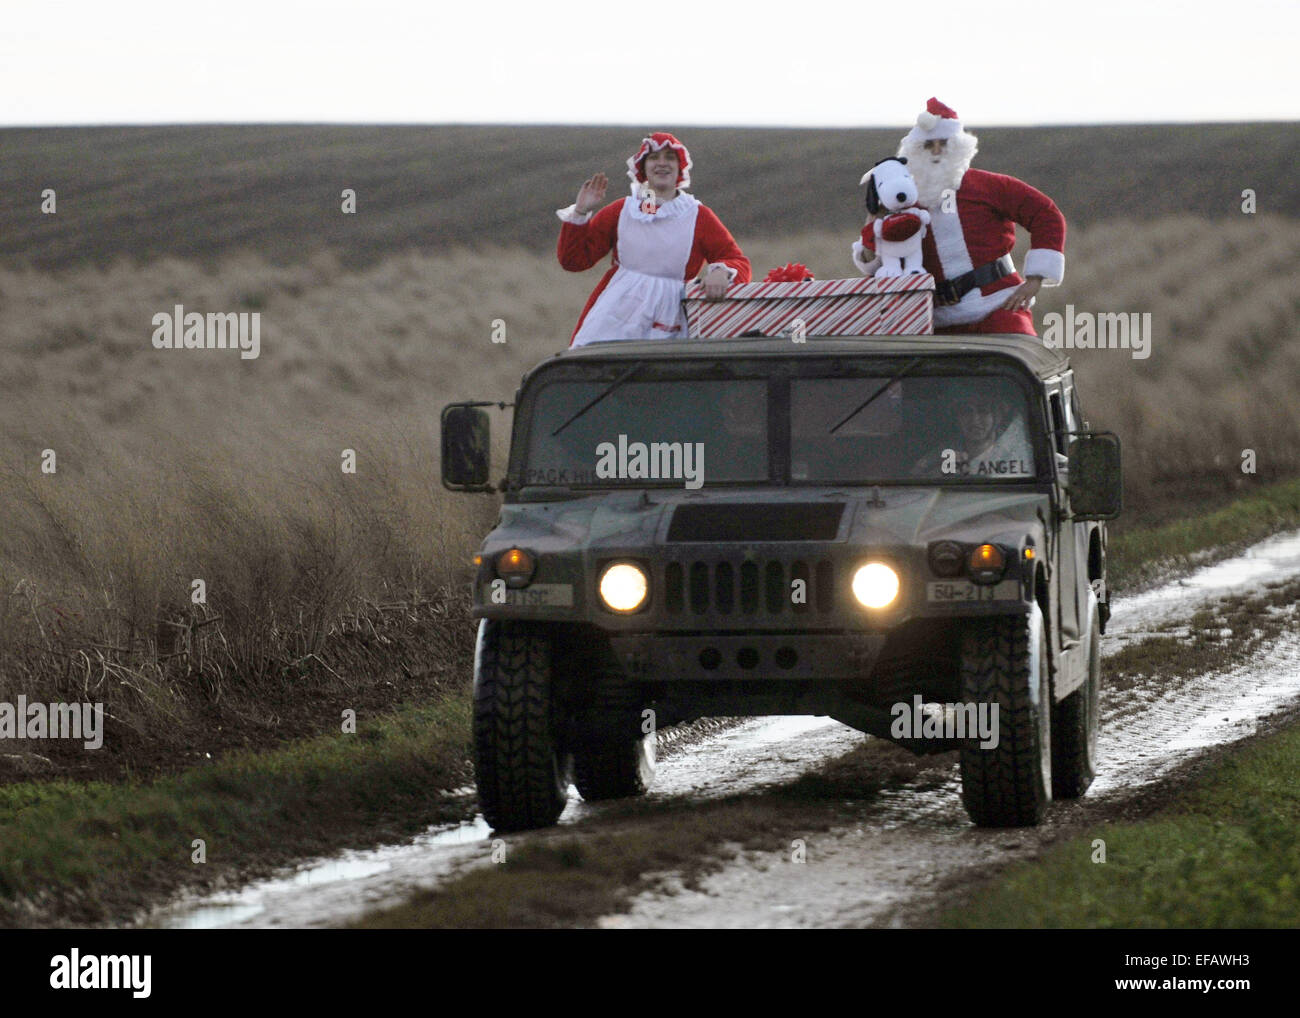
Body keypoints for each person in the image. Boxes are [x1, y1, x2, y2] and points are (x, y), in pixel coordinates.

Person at [853, 99, 1066, 337]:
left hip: (999, 305)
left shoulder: (989, 186)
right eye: (927, 145)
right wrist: (874, 216)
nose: (936, 152)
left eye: (943, 143)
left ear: (957, 145)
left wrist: (1036, 278)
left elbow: (1045, 214)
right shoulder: (902, 203)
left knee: (1021, 361)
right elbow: (877, 262)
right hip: (934, 319)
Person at [556, 132, 751, 347]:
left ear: (680, 167)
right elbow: (573, 261)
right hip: (614, 316)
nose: (662, 163)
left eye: (669, 157)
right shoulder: (623, 210)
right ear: (642, 167)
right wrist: (581, 212)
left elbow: (736, 260)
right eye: (654, 157)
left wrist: (721, 273)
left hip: (672, 318)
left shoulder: (698, 215)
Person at [911, 384, 1034, 478]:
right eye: (966, 412)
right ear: (957, 418)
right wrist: (940, 472)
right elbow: (914, 483)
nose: (975, 420)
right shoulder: (944, 452)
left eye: (983, 411)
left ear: (996, 416)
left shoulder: (1021, 452)